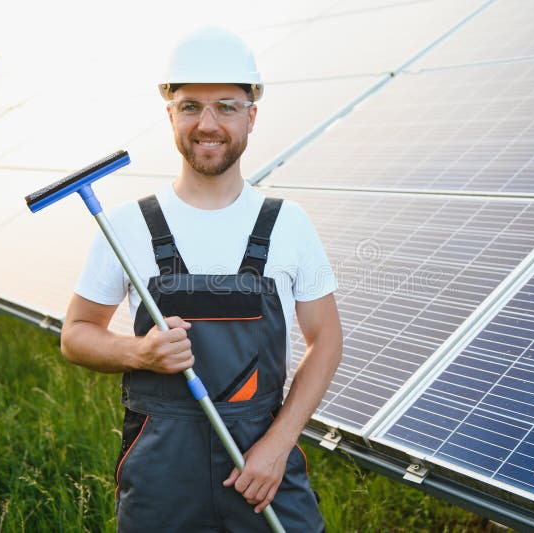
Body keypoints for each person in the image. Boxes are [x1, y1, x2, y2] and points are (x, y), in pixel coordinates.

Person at [59, 26, 342, 532]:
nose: (207, 124)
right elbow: (76, 334)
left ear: (251, 116)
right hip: (160, 470)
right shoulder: (123, 226)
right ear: (170, 113)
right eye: (190, 106)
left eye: (226, 106)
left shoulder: (289, 223)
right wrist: (138, 353)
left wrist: (278, 447)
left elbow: (327, 340)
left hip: (260, 464)